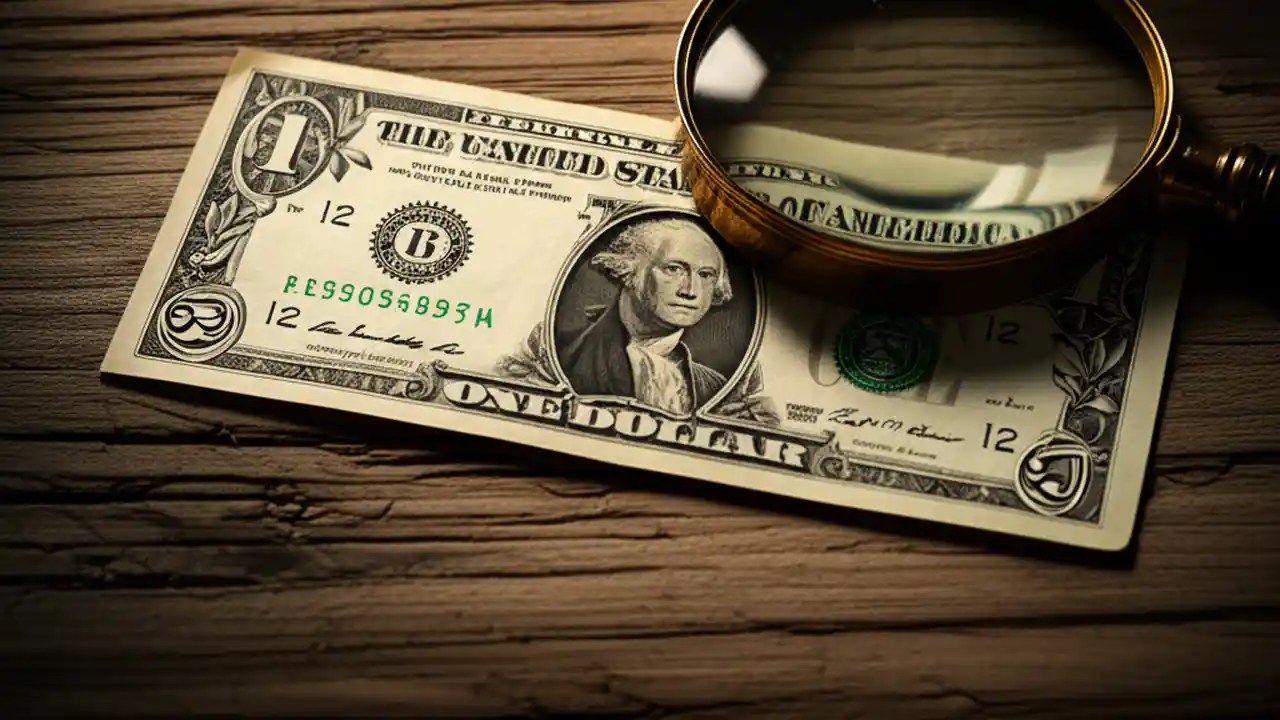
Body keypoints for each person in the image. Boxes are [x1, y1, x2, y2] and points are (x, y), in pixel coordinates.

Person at [558, 216, 733, 415]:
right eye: (674, 269)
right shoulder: (563, 352)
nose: (691, 291)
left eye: (705, 275)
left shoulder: (715, 387)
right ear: (629, 269)